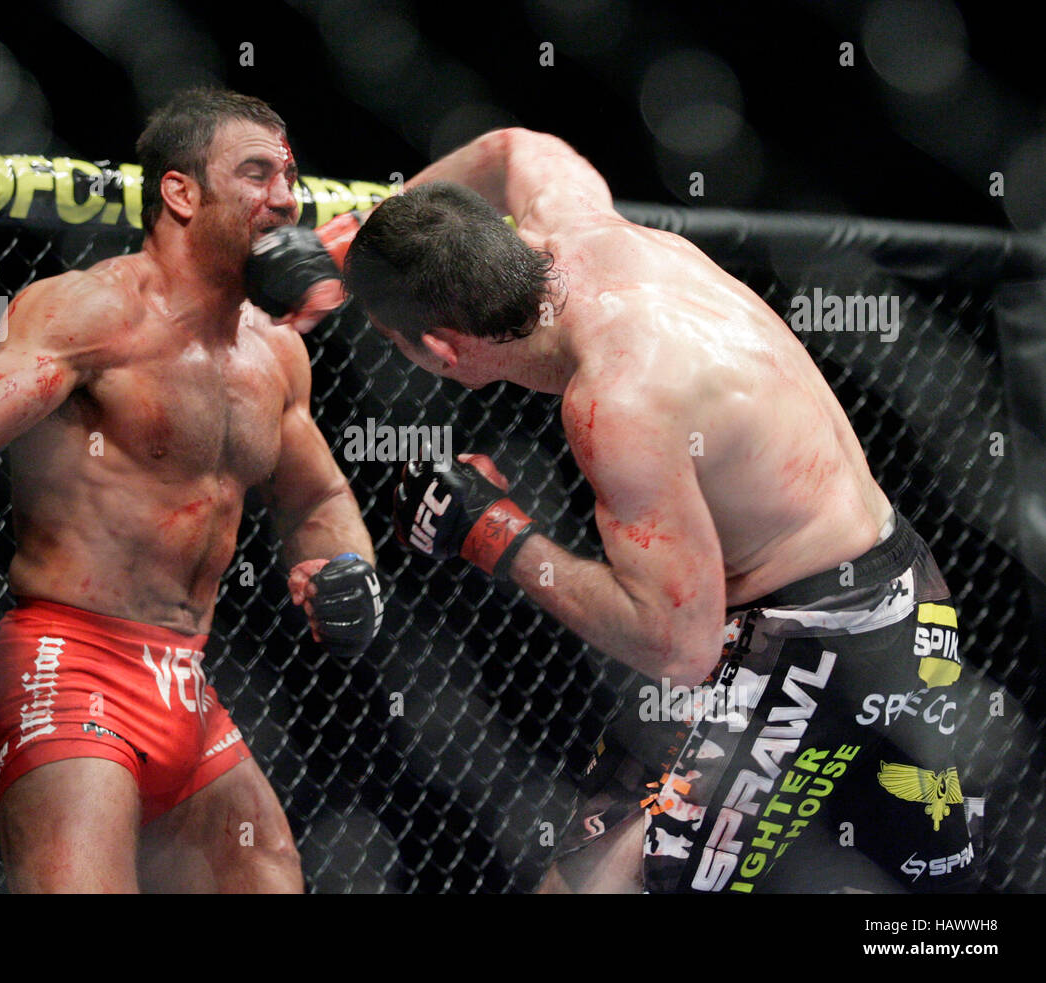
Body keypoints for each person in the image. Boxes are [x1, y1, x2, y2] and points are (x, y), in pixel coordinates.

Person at [341, 127, 979, 893]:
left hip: (821, 630)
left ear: (441, 351)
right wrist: (349, 239)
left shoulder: (617, 401)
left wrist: (494, 532)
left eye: (394, 343)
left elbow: (677, 644)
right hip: (867, 585)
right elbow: (517, 147)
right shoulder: (578, 227)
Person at [0, 88, 382, 893]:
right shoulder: (95, 311)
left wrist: (348, 569)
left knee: (268, 874)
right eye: (256, 173)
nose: (285, 198)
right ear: (181, 192)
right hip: (71, 659)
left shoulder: (277, 355)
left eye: (287, 176)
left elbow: (315, 499)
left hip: (185, 679)